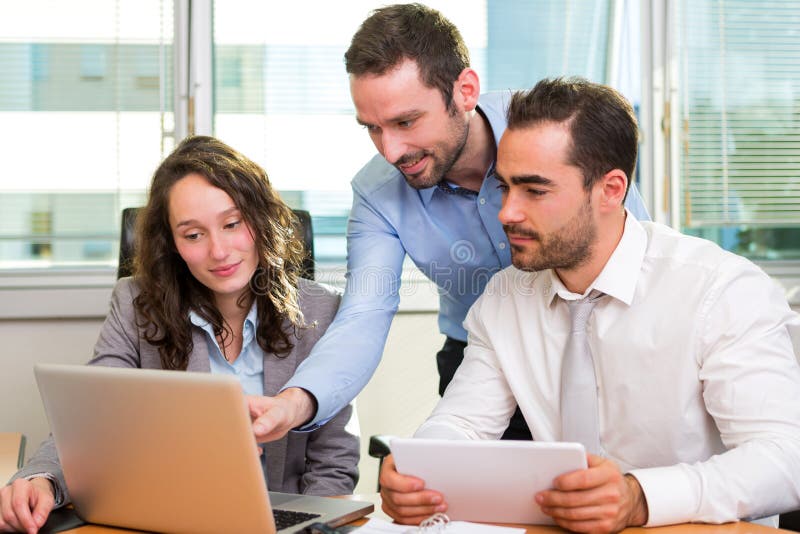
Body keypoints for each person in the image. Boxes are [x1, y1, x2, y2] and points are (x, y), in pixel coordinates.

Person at [378, 78, 800, 532]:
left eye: (535, 191)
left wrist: (640, 498)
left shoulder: (720, 290)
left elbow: (785, 458)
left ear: (611, 190)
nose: (506, 213)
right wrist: (422, 471)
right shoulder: (505, 298)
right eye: (504, 187)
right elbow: (462, 423)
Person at [278, 3, 651, 441]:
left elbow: (636, 257)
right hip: (481, 361)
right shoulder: (377, 193)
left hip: (602, 346)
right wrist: (294, 402)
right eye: (372, 128)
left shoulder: (554, 130)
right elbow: (364, 313)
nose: (391, 151)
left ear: (465, 91)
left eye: (406, 121)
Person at [0, 136, 359, 534]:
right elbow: (90, 422)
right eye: (193, 235)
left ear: (260, 220)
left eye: (232, 224)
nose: (219, 251)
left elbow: (334, 463)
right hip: (165, 522)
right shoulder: (135, 303)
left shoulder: (321, 310)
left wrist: (307, 529)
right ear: (171, 243)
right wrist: (41, 479)